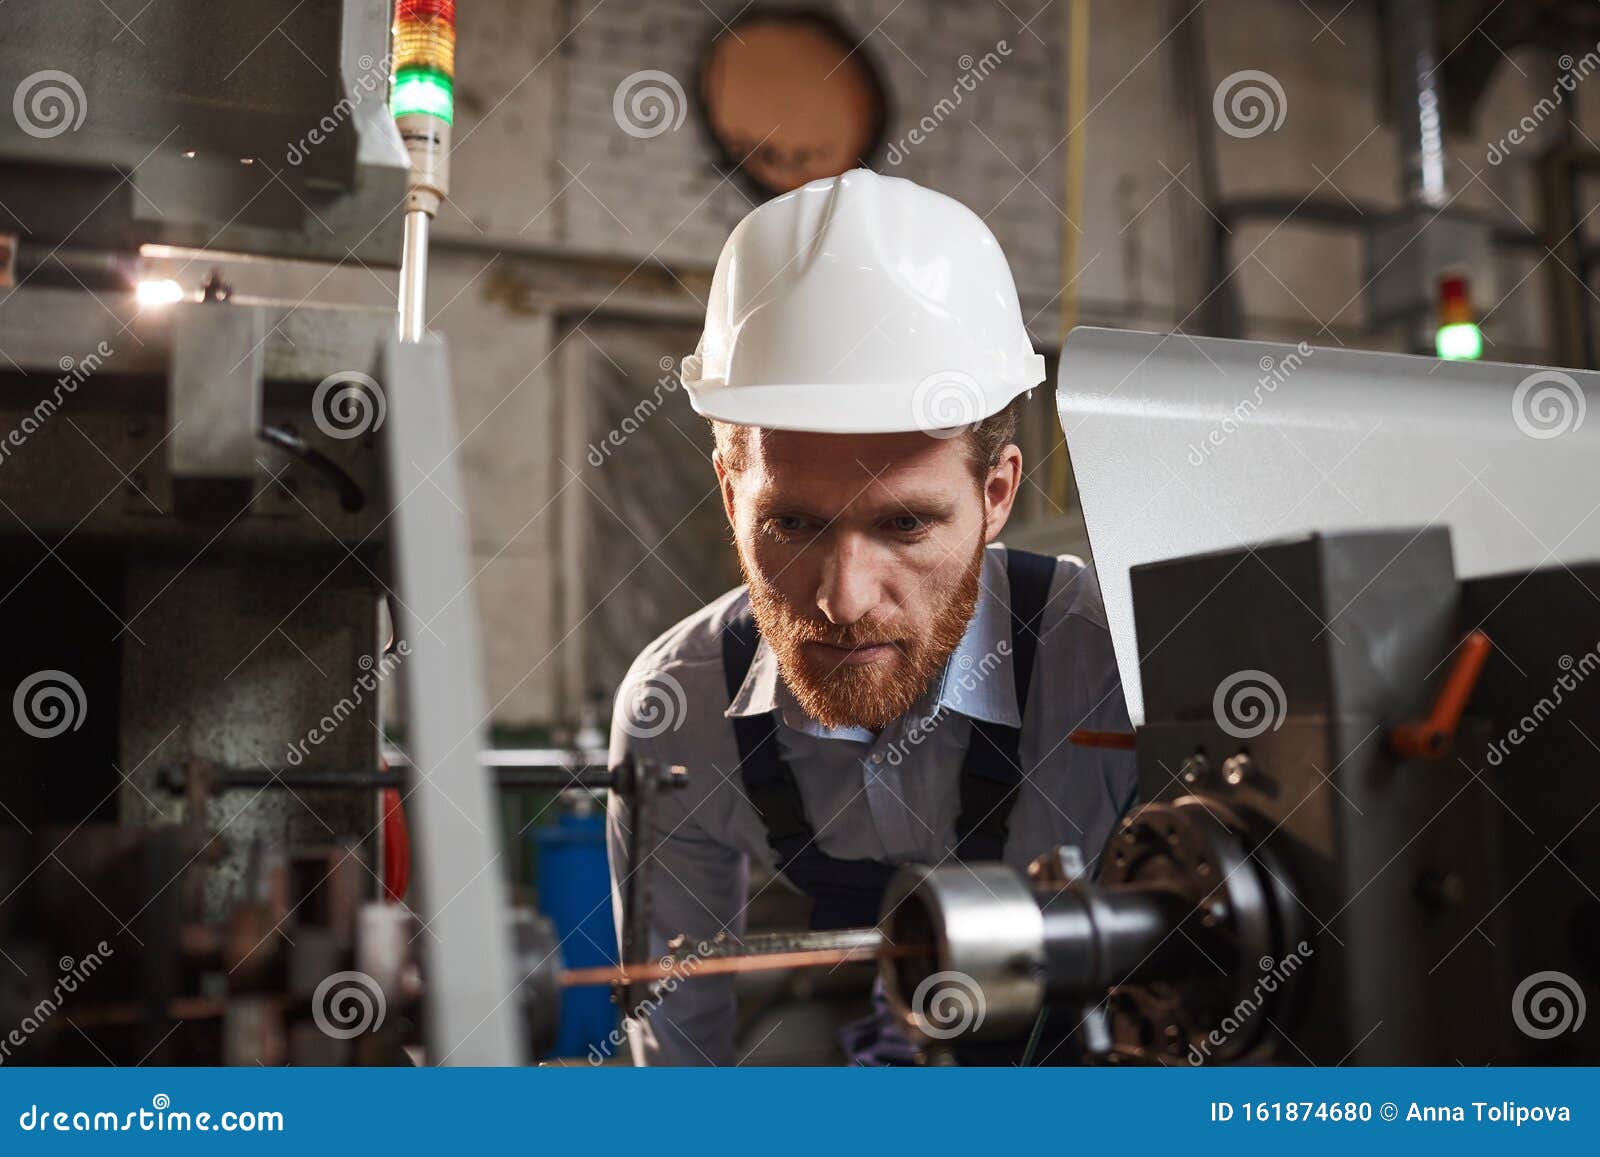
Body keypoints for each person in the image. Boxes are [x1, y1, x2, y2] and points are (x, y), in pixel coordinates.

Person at [607, 168, 1135, 1065]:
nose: (843, 600)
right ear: (731, 489)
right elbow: (680, 1063)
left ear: (997, 492)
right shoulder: (677, 710)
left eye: (904, 524)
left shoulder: (1115, 666)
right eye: (793, 524)